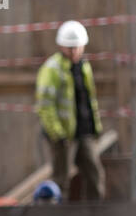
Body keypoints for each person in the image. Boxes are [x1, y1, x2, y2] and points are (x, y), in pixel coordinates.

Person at [35, 19, 105, 201]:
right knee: (61, 181)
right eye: (70, 47)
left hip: (84, 132)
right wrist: (57, 134)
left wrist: (95, 127)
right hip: (63, 137)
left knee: (94, 175)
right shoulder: (52, 69)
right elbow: (45, 105)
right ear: (61, 46)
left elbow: (89, 100)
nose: (74, 51)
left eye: (77, 47)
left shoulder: (85, 67)